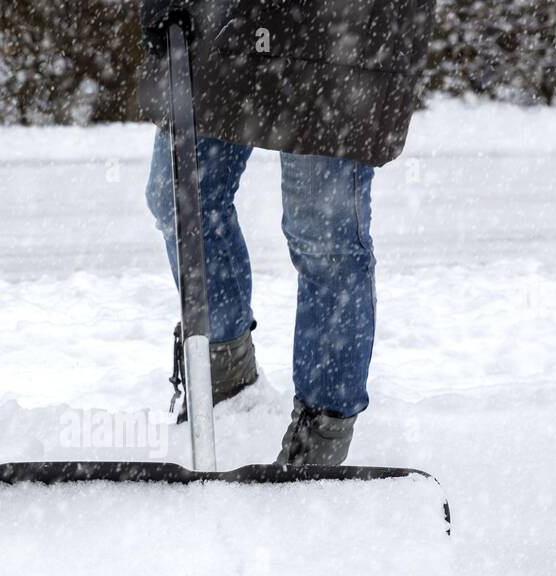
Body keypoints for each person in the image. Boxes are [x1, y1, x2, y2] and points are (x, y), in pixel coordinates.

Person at [138, 0, 437, 465]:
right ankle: (224, 376)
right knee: (180, 199)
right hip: (228, 15)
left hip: (341, 27)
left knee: (325, 238)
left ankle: (321, 435)